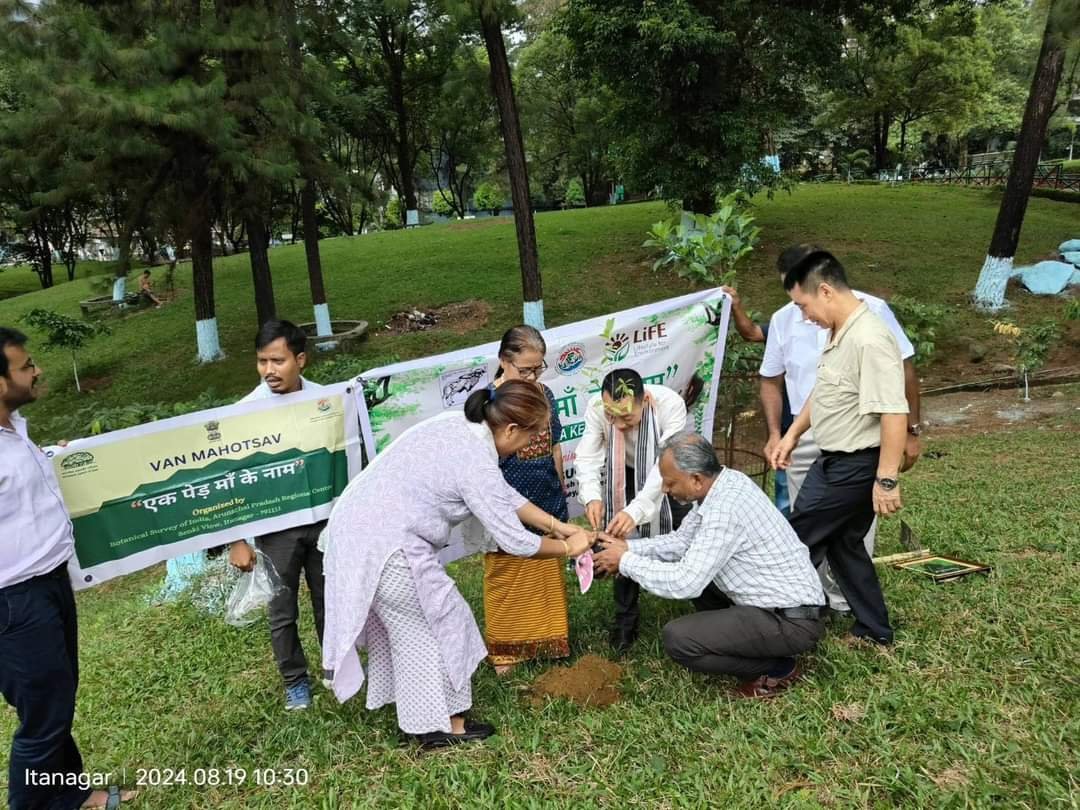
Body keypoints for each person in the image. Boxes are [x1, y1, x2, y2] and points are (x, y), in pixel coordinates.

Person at [321, 381, 593, 749]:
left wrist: (557, 526)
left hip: (366, 533)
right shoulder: (475, 458)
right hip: (385, 544)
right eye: (531, 437)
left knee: (420, 629)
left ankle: (432, 720)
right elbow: (515, 540)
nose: (530, 446)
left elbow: (501, 494)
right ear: (511, 429)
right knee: (436, 623)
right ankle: (440, 728)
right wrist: (568, 548)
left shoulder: (462, 428)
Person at [0, 327, 135, 809]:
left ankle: (75, 799)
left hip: (49, 586)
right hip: (15, 602)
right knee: (42, 719)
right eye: (25, 365)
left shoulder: (16, 430)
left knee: (57, 701)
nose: (36, 370)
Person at [593, 432, 825, 699]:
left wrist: (625, 561)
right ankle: (747, 639)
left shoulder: (724, 509)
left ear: (696, 480)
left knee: (679, 639)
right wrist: (627, 547)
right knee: (700, 573)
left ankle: (777, 668)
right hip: (777, 606)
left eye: (670, 483)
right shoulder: (724, 484)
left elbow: (685, 583)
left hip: (789, 621)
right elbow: (682, 542)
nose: (666, 490)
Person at [759, 245, 922, 611]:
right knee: (844, 543)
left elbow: (893, 410)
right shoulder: (839, 329)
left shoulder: (869, 333)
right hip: (827, 453)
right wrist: (789, 434)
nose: (804, 315)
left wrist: (887, 479)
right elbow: (822, 390)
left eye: (804, 305)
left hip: (854, 456)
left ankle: (789, 610)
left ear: (825, 290)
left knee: (803, 534)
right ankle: (868, 624)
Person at [227, 319, 326, 711]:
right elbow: (230, 481)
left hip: (323, 522)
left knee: (329, 600)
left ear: (300, 359)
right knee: (281, 609)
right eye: (261, 361)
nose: (269, 370)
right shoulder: (243, 414)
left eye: (278, 360)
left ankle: (338, 668)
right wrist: (237, 538)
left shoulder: (326, 401)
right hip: (275, 530)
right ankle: (295, 681)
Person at [575, 368, 689, 653]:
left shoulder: (670, 405)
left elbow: (665, 463)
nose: (618, 424)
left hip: (669, 473)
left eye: (626, 417)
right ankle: (626, 620)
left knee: (687, 537)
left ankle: (705, 602)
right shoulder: (597, 408)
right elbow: (587, 455)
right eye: (612, 416)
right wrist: (591, 497)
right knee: (619, 541)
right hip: (621, 474)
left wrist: (636, 510)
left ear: (646, 399)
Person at [483, 326, 570, 676]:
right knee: (508, 578)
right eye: (525, 370)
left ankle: (548, 643)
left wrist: (560, 485)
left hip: (546, 498)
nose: (533, 377)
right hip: (506, 504)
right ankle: (506, 651)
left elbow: (555, 444)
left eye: (538, 368)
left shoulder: (544, 394)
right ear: (504, 362)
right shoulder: (489, 403)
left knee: (545, 577)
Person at [720, 285, 794, 516]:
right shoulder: (787, 321)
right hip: (790, 423)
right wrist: (736, 305)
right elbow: (752, 332)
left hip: (830, 424)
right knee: (786, 493)